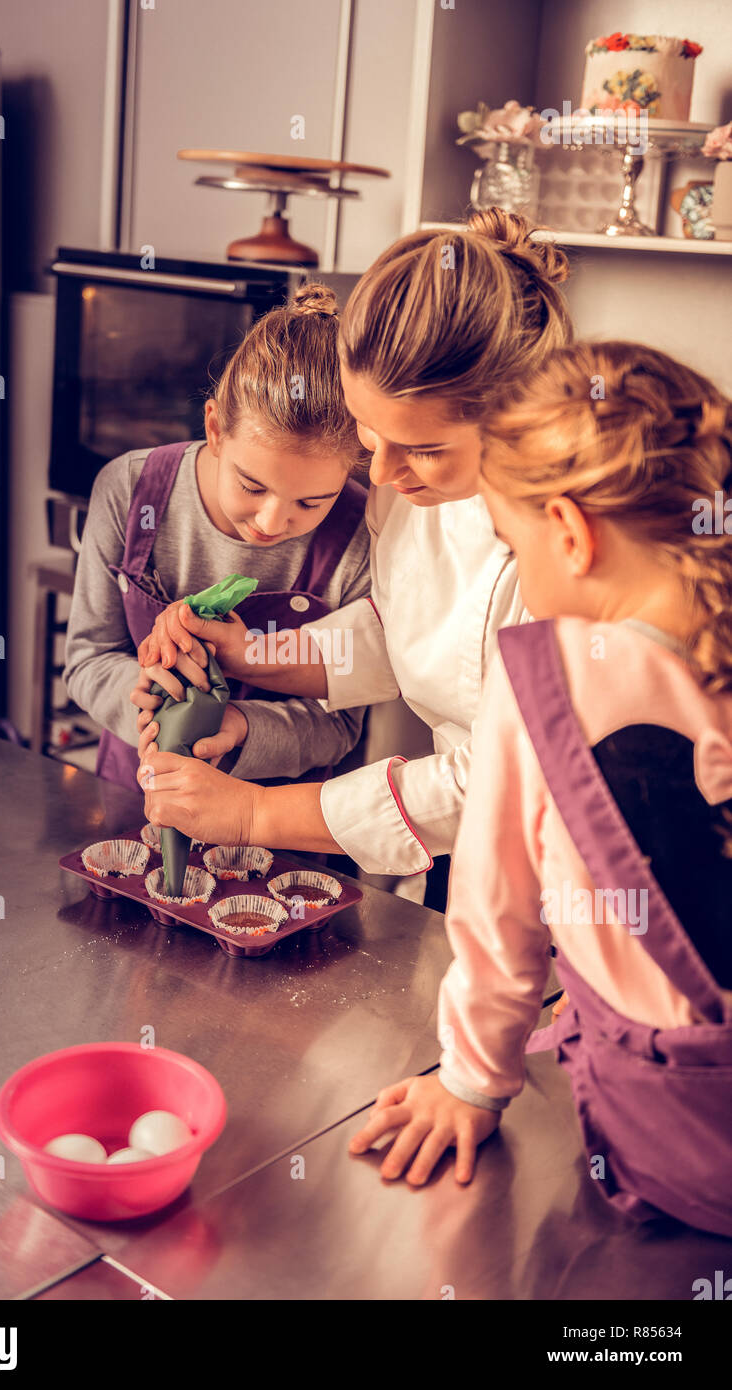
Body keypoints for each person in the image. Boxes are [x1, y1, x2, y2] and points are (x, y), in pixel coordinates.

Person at [350, 342, 732, 1238]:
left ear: (569, 532)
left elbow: (497, 916)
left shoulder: (550, 682)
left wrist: (470, 1084)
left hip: (673, 1151)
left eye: (513, 544)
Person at [137, 211, 572, 883]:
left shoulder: (557, 551)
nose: (387, 475)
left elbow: (493, 779)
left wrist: (254, 815)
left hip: (561, 865)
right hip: (460, 851)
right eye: (369, 433)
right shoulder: (408, 490)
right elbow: (398, 628)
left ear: (520, 419)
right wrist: (259, 651)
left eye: (425, 450)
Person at [63, 283, 371, 794]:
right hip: (134, 793)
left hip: (280, 819)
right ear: (214, 427)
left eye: (311, 503)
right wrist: (141, 699)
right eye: (252, 484)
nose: (272, 522)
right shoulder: (130, 490)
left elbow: (338, 722)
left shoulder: (360, 533)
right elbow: (89, 657)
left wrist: (242, 727)